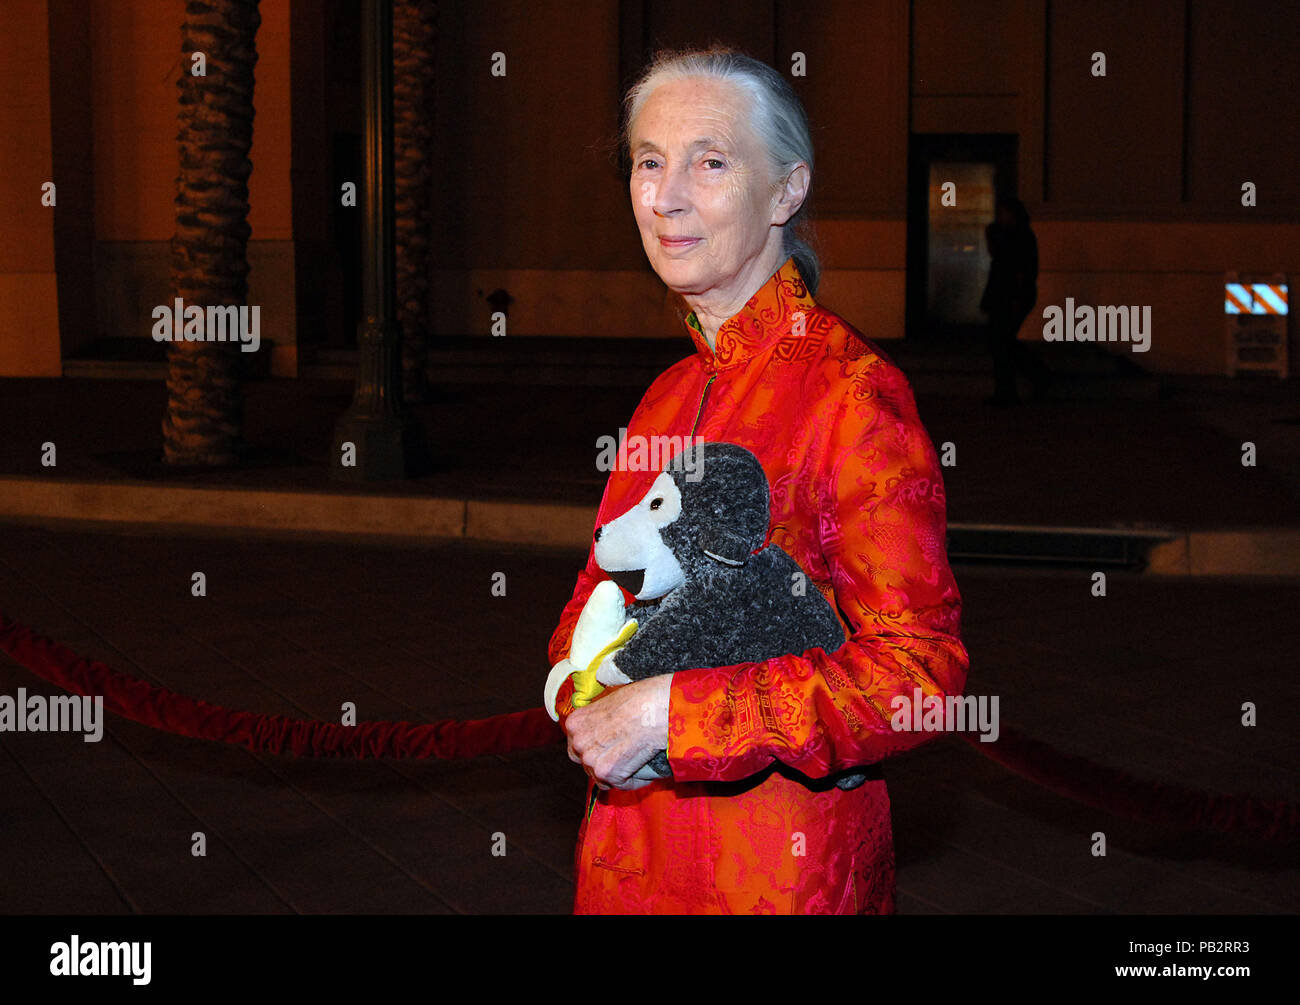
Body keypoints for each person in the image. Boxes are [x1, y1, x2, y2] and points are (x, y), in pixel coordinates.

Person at [549, 47, 968, 914]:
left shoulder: (850, 394)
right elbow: (601, 586)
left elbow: (922, 677)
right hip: (629, 864)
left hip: (776, 876)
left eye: (711, 162)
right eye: (649, 163)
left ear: (785, 193)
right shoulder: (667, 393)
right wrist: (575, 681)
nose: (667, 197)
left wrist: (675, 714)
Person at [979, 197, 1052, 404]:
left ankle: (1020, 383)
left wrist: (1017, 297)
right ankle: (1022, 382)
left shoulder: (1020, 236)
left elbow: (1021, 270)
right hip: (1005, 294)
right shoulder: (1009, 235)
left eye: (1005, 213)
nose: (1002, 217)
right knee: (1002, 341)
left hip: (1010, 295)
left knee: (1002, 341)